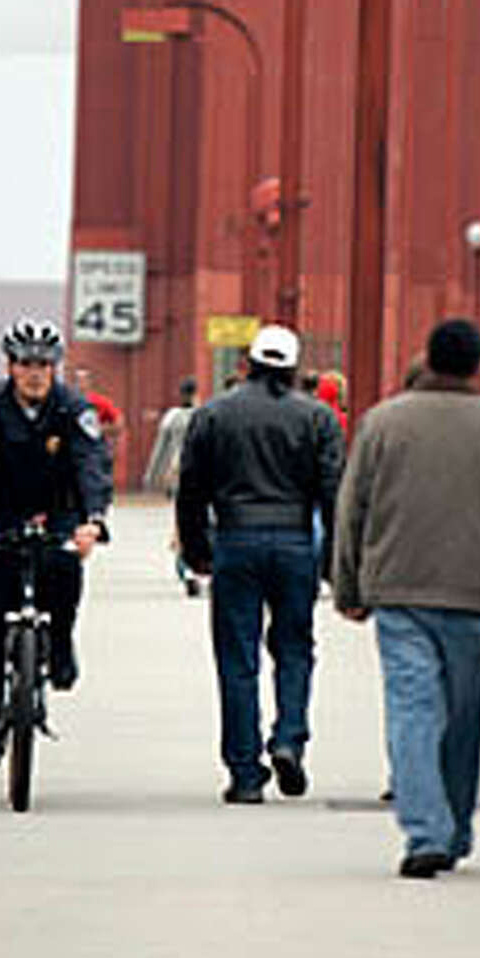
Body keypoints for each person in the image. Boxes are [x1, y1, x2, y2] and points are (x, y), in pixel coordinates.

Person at [333, 317, 480, 878]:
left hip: (399, 589)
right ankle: (456, 829)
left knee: (412, 710)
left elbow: (352, 510)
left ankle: (424, 832)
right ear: (478, 365)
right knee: (463, 720)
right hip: (476, 593)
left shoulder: (382, 423)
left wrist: (348, 587)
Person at [176, 323, 344, 803]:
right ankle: (289, 739)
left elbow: (191, 490)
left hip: (235, 539)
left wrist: (196, 551)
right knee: (294, 648)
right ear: (293, 369)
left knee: (237, 658)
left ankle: (246, 773)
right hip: (294, 543)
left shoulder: (213, 415)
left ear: (246, 363)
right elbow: (333, 494)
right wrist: (333, 560)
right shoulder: (319, 418)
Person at [0, 318, 112, 767]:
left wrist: (92, 521)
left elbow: (91, 463)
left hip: (58, 512)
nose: (35, 372)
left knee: (64, 572)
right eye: (25, 363)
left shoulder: (73, 409)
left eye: (44, 363)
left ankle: (59, 642)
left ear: (56, 367)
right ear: (10, 366)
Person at [144, 376, 202, 596]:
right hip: (201, 476)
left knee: (181, 521)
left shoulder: (172, 418)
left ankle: (184, 566)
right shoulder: (203, 416)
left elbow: (161, 449)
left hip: (177, 474)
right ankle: (193, 565)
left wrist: (152, 477)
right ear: (196, 394)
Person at [73, 366, 127, 473]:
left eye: (83, 380)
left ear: (89, 382)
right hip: (73, 453)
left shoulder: (100, 402)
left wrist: (100, 429)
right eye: (77, 380)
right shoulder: (67, 401)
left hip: (94, 453)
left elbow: (119, 422)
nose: (80, 383)